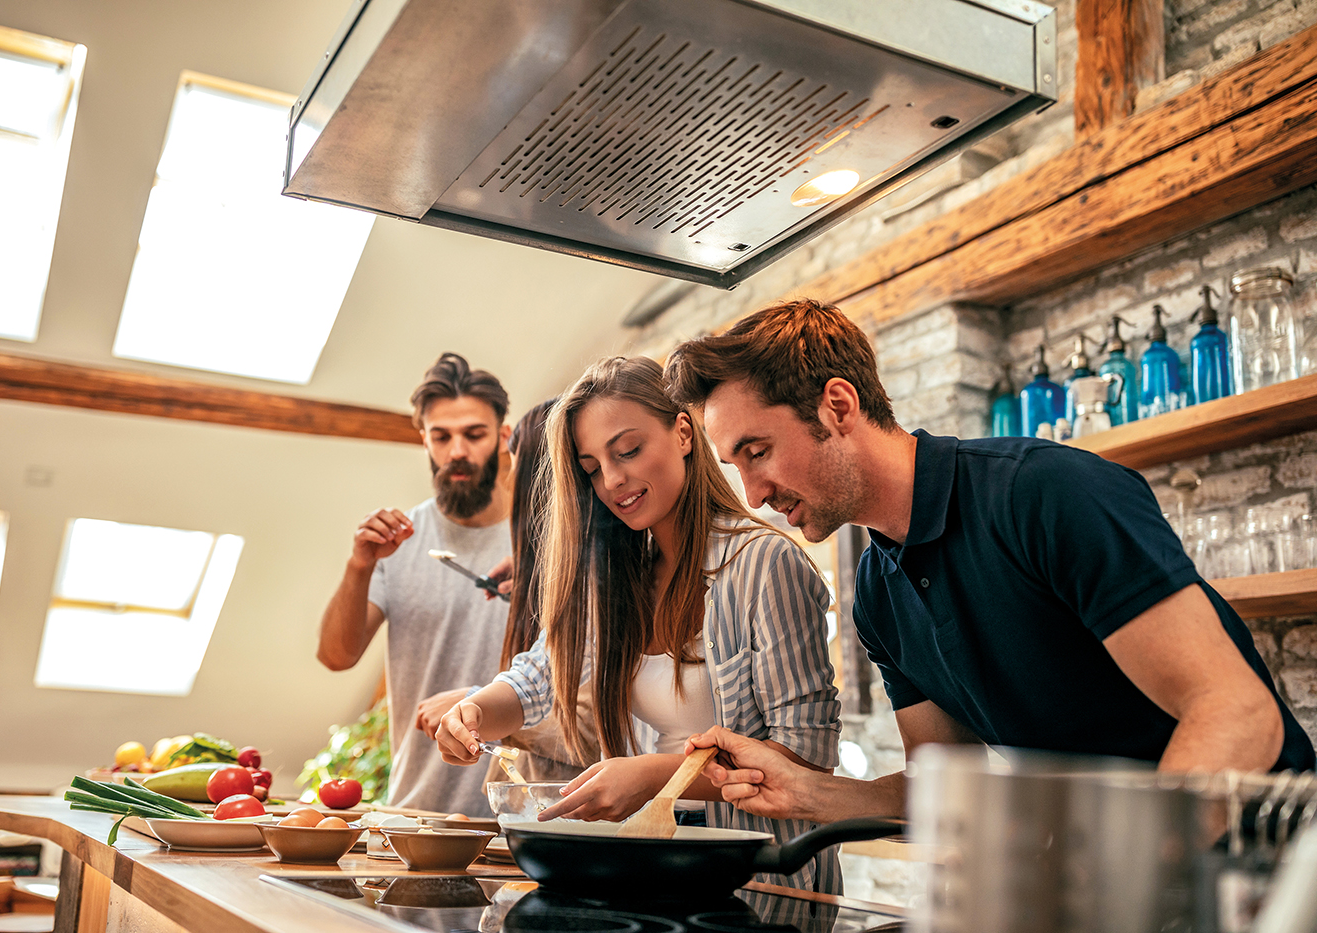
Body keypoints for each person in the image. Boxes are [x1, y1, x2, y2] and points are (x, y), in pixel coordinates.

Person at [661, 298, 1316, 825]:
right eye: (735, 464)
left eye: (756, 450)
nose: (754, 494)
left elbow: (1235, 712)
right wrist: (807, 791)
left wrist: (1118, 884)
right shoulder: (876, 591)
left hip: (1266, 871)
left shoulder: (1041, 493)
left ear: (838, 406)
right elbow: (944, 783)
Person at [436, 356, 843, 894]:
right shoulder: (618, 578)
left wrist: (657, 776)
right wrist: (474, 713)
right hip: (655, 871)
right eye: (591, 467)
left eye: (628, 451)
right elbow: (537, 675)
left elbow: (807, 758)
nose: (612, 480)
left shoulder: (763, 564)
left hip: (763, 881)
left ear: (682, 433)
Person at [317, 352, 513, 816]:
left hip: (518, 816)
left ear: (503, 437)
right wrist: (360, 564)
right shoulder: (398, 540)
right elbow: (336, 656)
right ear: (424, 439)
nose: (457, 451)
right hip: (415, 815)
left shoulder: (544, 538)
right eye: (442, 437)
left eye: (474, 434)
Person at [476, 399, 603, 783]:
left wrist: (480, 705)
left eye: (517, 476)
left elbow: (593, 733)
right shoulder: (564, 577)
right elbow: (536, 673)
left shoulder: (603, 585)